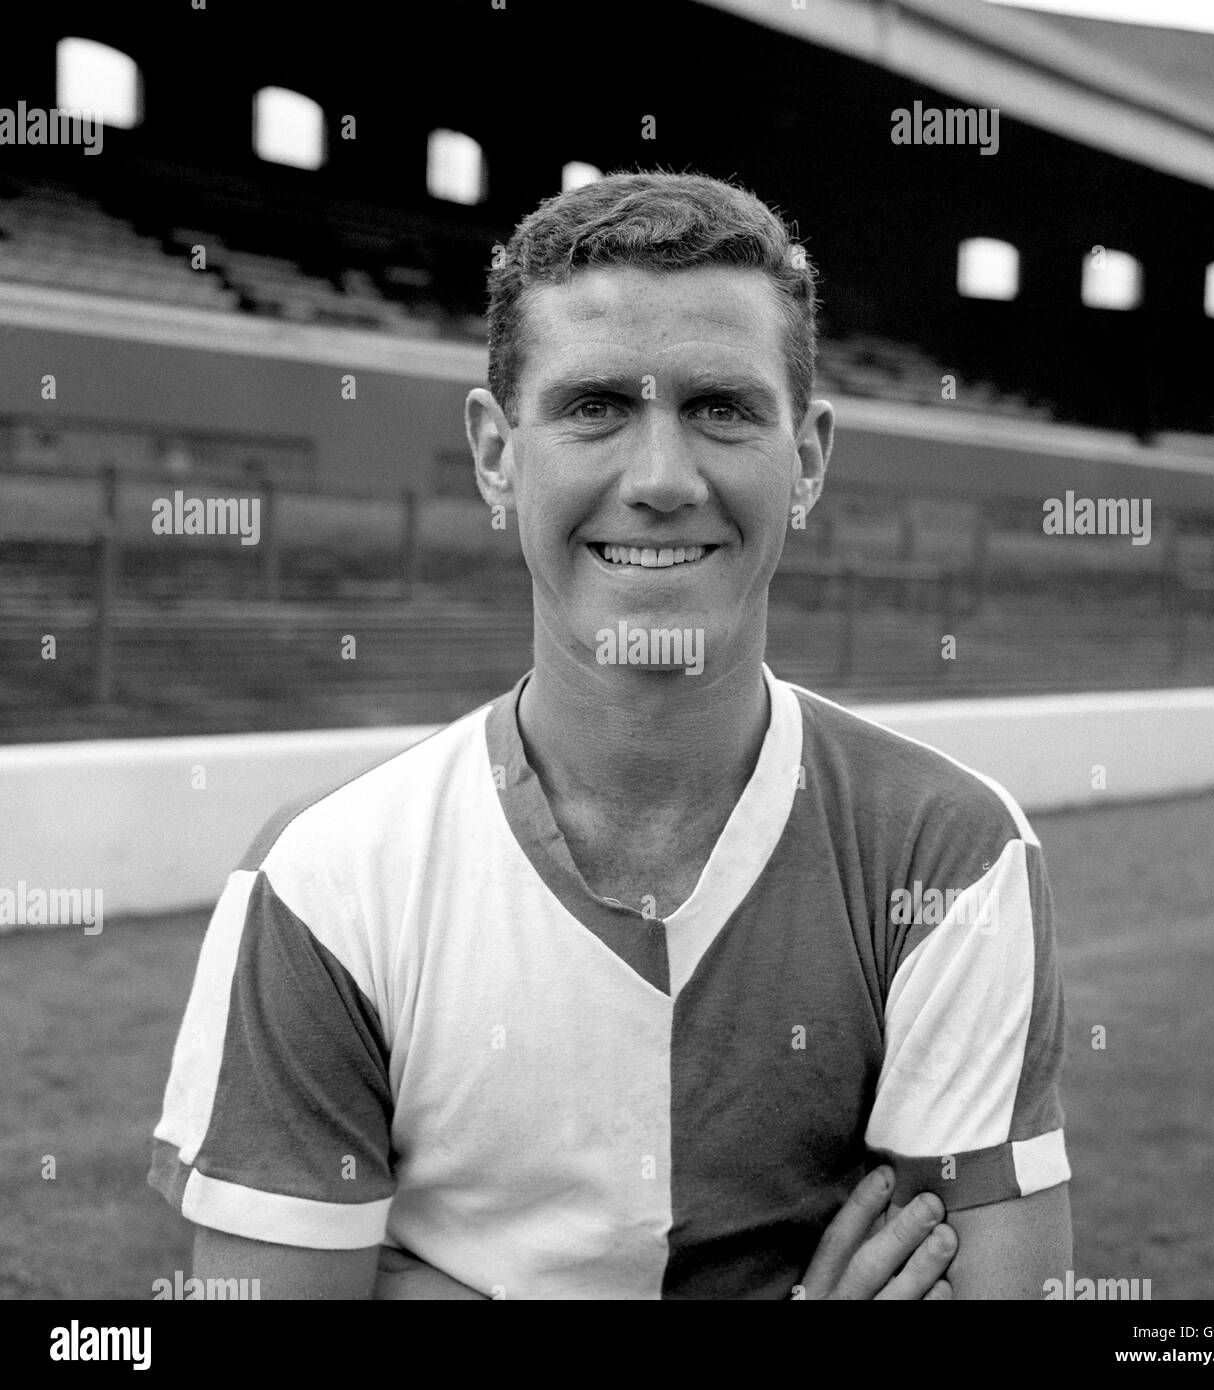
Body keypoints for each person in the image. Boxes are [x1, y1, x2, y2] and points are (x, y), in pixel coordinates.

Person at [148, 171, 1071, 1299]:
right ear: (495, 453)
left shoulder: (949, 852)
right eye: (595, 407)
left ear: (810, 459)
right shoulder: (324, 883)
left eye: (721, 408)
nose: (661, 479)